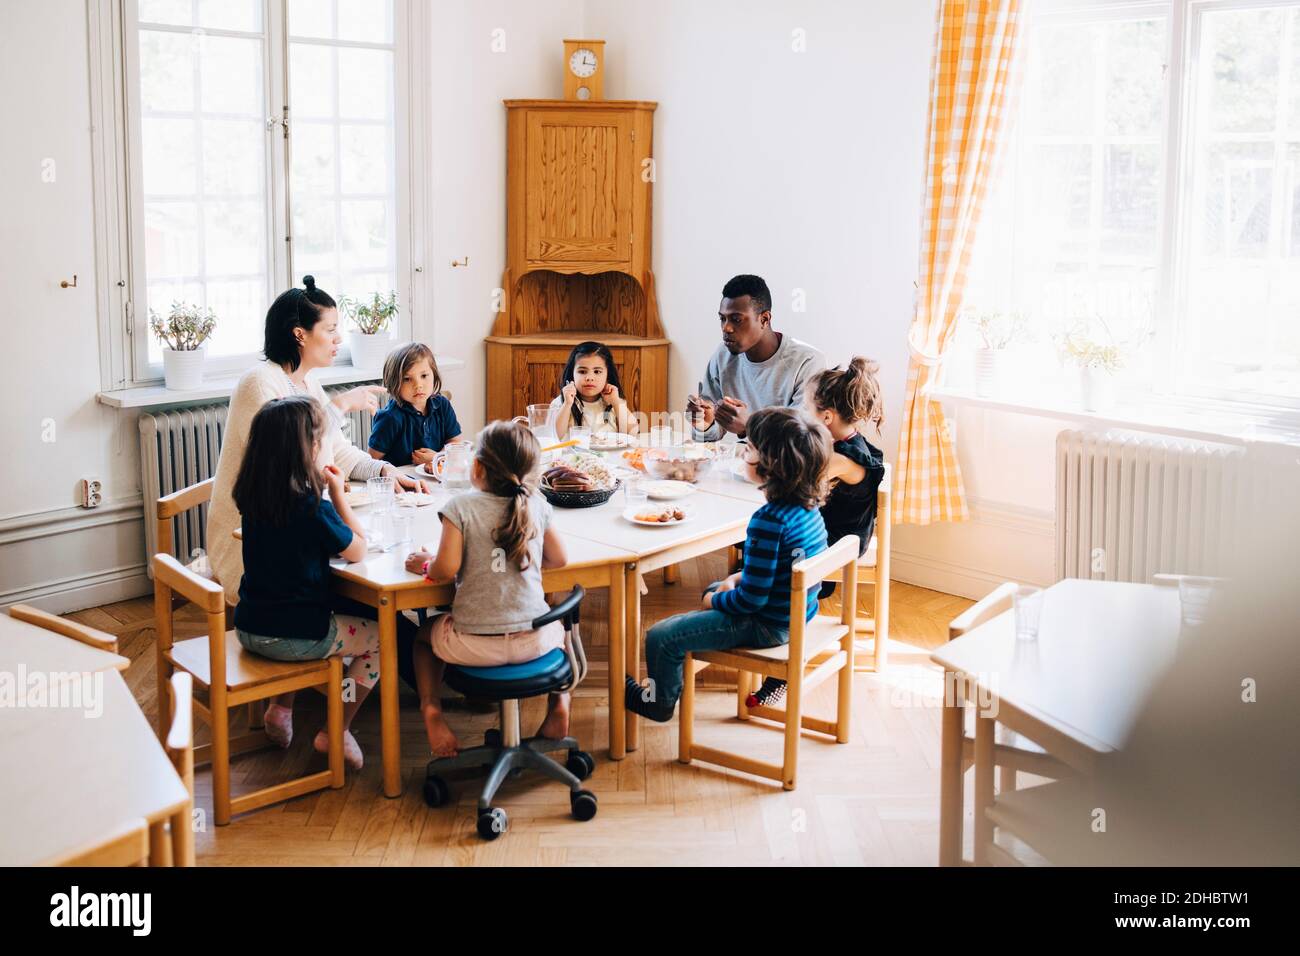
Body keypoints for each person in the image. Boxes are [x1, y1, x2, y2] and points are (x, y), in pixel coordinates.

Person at [207, 276, 428, 744]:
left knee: (363, 578)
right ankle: (431, 683)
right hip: (249, 541)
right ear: (299, 334)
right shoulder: (259, 384)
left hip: (287, 535)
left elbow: (336, 452)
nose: (338, 339)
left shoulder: (306, 380)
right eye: (330, 329)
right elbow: (293, 445)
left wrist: (385, 472)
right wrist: (341, 404)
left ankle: (295, 701)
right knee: (368, 589)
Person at [231, 396, 419, 769]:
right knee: (382, 638)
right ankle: (338, 727)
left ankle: (280, 710)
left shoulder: (254, 500)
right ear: (310, 450)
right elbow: (358, 550)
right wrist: (337, 496)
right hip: (293, 637)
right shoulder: (312, 506)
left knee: (295, 604)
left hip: (250, 627)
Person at [626, 407, 830, 722]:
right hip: (796, 612)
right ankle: (707, 616)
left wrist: (716, 599)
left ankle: (658, 702)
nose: (743, 453)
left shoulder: (768, 521)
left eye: (749, 448)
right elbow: (778, 571)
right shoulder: (808, 509)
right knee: (715, 589)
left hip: (767, 625)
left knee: (661, 636)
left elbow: (751, 601)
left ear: (768, 465)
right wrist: (734, 581)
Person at [403, 421, 570, 757]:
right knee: (561, 624)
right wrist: (522, 560)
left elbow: (445, 571)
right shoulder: (536, 505)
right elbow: (560, 560)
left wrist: (425, 563)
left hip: (472, 646)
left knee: (422, 637)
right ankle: (560, 706)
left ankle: (432, 711)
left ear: (476, 466)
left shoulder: (461, 508)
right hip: (533, 643)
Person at [687, 274, 825, 440]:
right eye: (722, 319)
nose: (726, 328)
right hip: (738, 461)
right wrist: (705, 424)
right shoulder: (722, 356)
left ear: (764, 319)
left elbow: (801, 439)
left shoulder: (807, 362)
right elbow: (707, 437)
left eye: (736, 319)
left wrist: (749, 425)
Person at [368, 342, 462, 468]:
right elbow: (370, 461)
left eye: (424, 376)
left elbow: (455, 443)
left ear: (434, 374)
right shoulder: (389, 418)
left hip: (435, 479)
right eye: (407, 379)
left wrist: (437, 457)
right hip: (401, 482)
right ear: (394, 382)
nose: (418, 385)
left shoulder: (442, 405)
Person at [548, 340, 636, 438]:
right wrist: (567, 405)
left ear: (607, 375)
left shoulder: (614, 401)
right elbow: (554, 436)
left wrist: (616, 402)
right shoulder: (561, 402)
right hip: (574, 453)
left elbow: (633, 432)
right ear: (572, 375)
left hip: (608, 453)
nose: (589, 377)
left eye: (597, 371)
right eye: (582, 371)